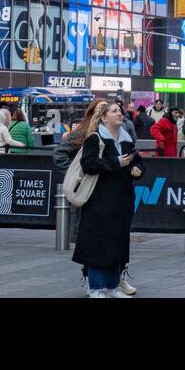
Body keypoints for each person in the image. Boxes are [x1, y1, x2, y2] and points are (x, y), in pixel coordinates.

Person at [72, 101, 144, 297]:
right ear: (104, 118)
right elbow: (88, 164)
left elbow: (137, 162)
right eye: (114, 111)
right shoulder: (95, 139)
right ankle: (97, 288)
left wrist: (138, 170)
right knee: (98, 244)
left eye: (119, 111)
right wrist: (116, 162)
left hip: (122, 201)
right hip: (99, 200)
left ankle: (113, 287)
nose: (119, 113)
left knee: (118, 244)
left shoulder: (127, 139)